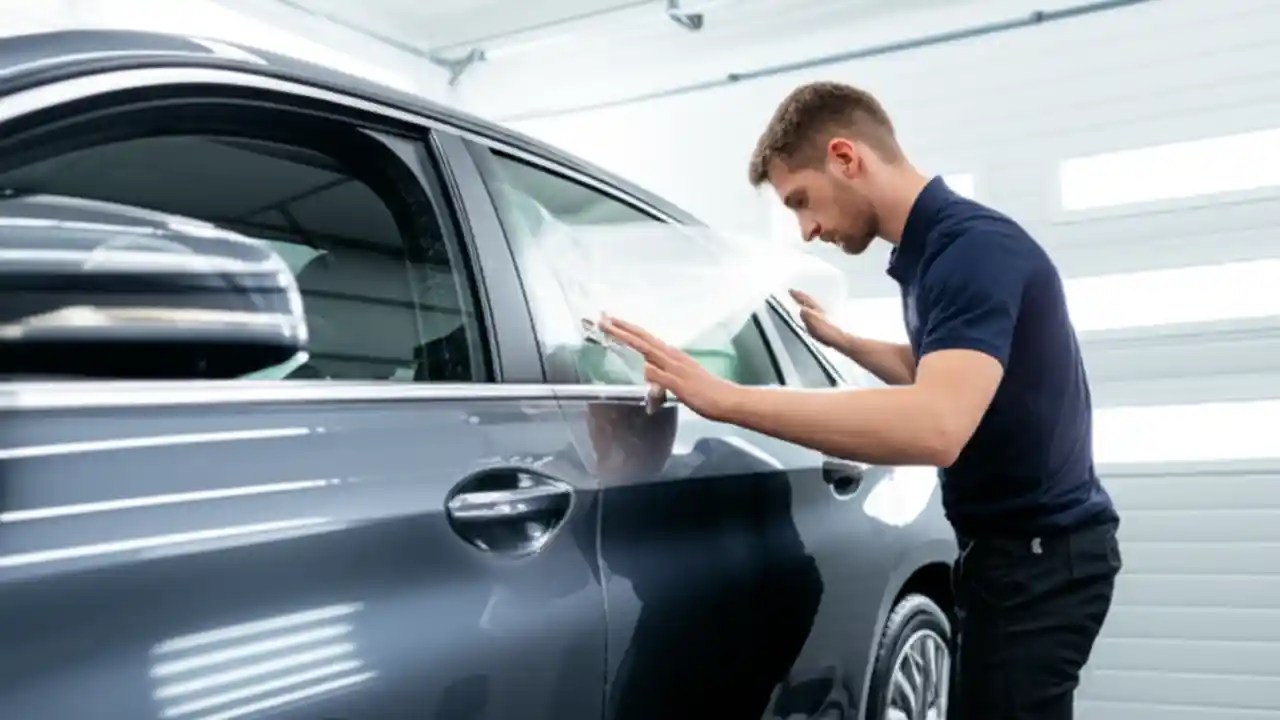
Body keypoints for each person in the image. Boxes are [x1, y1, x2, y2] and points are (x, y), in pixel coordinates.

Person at [600, 80, 1122, 719]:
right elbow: (946, 368)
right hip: (1017, 555)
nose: (807, 229)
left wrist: (725, 398)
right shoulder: (935, 253)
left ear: (846, 158)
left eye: (801, 201)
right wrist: (844, 341)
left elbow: (936, 425)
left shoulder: (973, 252)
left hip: (1042, 559)